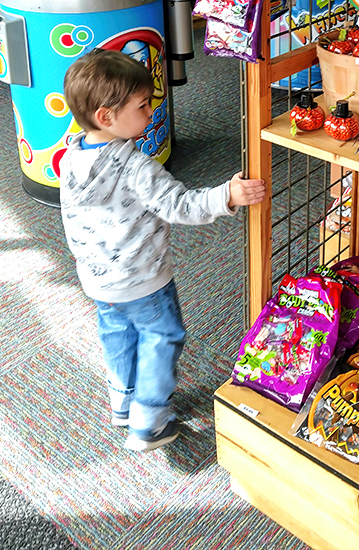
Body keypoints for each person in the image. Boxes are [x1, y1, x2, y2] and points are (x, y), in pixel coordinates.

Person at [60, 49, 265, 452]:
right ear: (106, 117)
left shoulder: (71, 156)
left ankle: (123, 399)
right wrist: (228, 194)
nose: (152, 110)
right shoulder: (135, 166)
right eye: (142, 105)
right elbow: (180, 206)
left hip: (97, 278)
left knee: (117, 333)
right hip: (143, 278)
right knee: (162, 334)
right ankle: (148, 418)